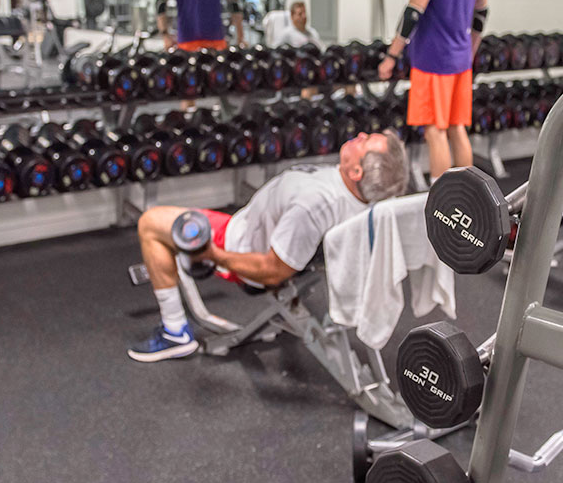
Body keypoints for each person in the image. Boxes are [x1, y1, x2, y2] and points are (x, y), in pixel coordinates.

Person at [127, 131, 409, 362]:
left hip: (236, 243)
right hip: (249, 226)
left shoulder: (315, 204)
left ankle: (175, 333)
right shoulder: (362, 198)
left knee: (151, 223)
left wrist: (214, 255)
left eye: (365, 142)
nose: (359, 135)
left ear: (357, 171)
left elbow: (271, 271)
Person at [378, 0, 489, 183]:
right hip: (460, 60)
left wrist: (391, 55)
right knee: (456, 128)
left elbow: (414, 12)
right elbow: (482, 14)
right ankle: (467, 195)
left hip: (432, 60)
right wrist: (471, 50)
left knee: (434, 131)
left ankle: (441, 201)